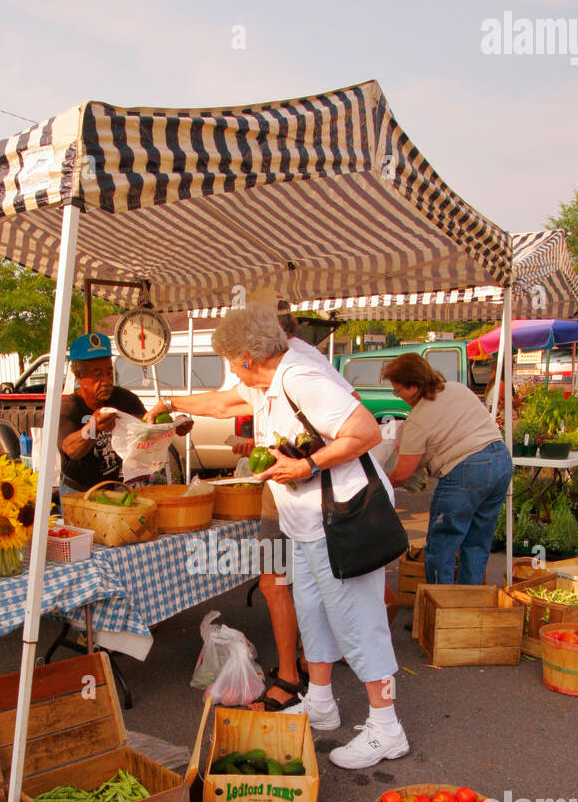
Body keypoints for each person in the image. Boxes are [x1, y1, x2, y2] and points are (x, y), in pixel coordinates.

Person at [147, 303, 409, 769]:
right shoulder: (267, 379)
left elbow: (364, 431)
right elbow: (224, 402)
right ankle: (322, 705)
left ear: (246, 356)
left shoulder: (299, 376)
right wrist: (172, 403)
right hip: (305, 523)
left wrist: (306, 465)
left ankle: (387, 728)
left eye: (230, 362)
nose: (231, 372)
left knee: (358, 622)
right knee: (312, 612)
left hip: (342, 520)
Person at [386, 352, 513, 585]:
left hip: (466, 469)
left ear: (413, 385)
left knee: (441, 545)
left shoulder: (418, 418)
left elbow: (403, 473)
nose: (399, 396)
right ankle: (466, 605)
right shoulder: (456, 388)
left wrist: (380, 485)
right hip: (500, 460)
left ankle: (439, 607)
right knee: (477, 541)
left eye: (398, 390)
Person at [57, 332, 147, 493]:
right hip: (80, 493)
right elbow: (71, 450)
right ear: (79, 377)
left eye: (109, 373)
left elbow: (148, 424)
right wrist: (94, 426)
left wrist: (173, 425)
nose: (106, 381)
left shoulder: (124, 399)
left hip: (116, 488)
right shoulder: (68, 408)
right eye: (98, 375)